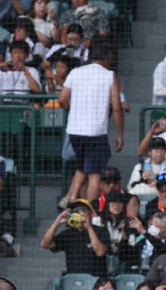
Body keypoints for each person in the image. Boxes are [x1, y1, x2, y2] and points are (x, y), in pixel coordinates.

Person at [59, 38, 124, 204]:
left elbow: (62, 99)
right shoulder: (110, 75)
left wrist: (72, 109)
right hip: (96, 132)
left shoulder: (75, 72)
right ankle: (91, 210)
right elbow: (117, 107)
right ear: (107, 58)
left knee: (82, 167)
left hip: (74, 130)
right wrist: (120, 134)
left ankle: (71, 197)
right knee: (95, 174)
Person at [40, 199, 109, 276]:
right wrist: (57, 222)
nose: (79, 213)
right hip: (73, 281)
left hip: (97, 281)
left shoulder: (101, 230)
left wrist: (88, 227)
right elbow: (45, 244)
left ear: (91, 213)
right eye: (76, 210)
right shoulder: (68, 234)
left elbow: (100, 252)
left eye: (83, 210)